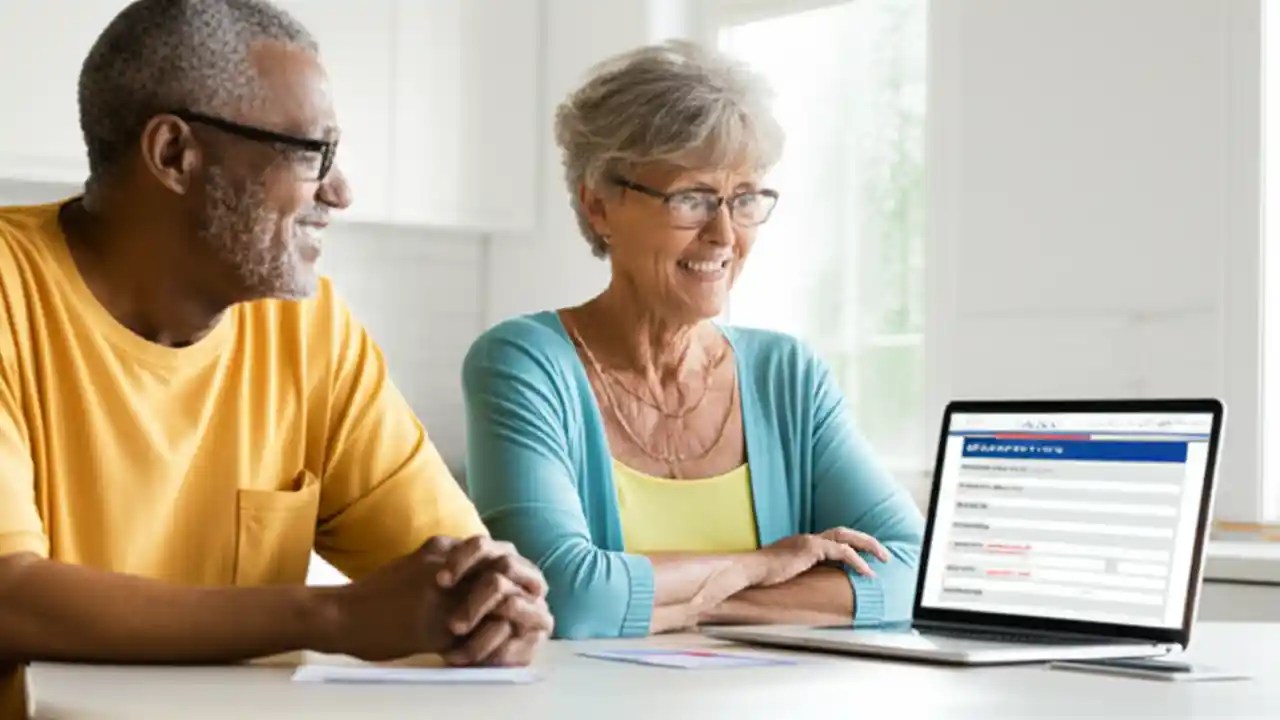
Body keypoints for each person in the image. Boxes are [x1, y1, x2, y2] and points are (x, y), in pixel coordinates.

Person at [0, 1, 552, 704]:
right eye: (310, 152)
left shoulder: (311, 330)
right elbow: (10, 597)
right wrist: (335, 615)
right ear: (174, 154)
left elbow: (455, 576)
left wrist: (494, 606)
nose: (341, 190)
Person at [462, 41, 925, 640]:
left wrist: (691, 603)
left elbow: (913, 575)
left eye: (745, 199)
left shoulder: (786, 376)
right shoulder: (524, 363)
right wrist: (759, 565)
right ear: (599, 204)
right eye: (692, 198)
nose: (725, 233)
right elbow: (566, 595)